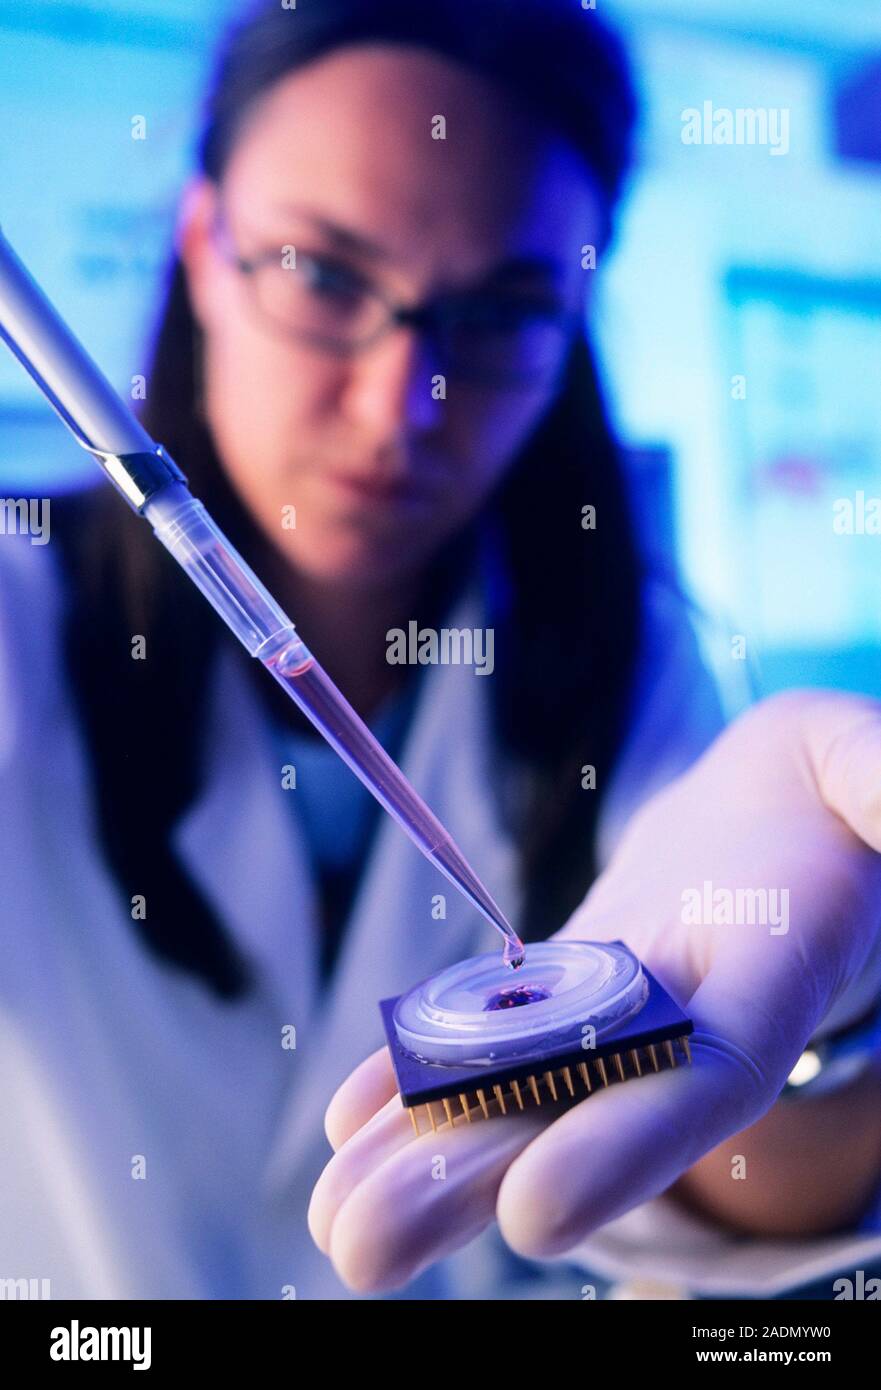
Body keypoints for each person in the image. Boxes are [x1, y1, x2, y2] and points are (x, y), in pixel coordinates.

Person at [0, 0, 879, 1301]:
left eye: (499, 312)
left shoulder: (629, 678)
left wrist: (843, 1008)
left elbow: (733, 1188)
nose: (401, 406)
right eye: (323, 272)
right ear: (200, 243)